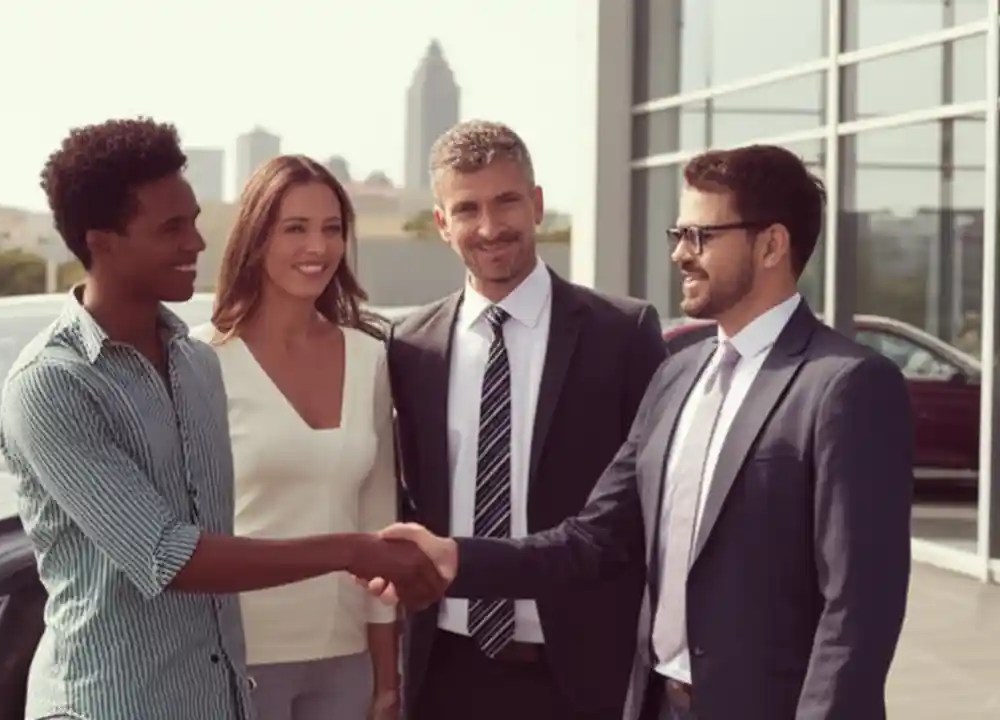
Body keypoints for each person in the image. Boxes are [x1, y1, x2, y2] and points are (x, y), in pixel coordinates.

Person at [371, 144, 916, 720]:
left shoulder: (847, 385)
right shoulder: (679, 375)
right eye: (678, 233)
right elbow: (596, 538)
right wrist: (456, 557)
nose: (681, 253)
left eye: (702, 236)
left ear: (772, 245)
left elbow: (859, 609)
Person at [0, 118, 445, 720]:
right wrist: (352, 550)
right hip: (105, 701)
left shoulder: (193, 362)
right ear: (103, 242)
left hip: (219, 692)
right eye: (172, 228)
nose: (197, 244)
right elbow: (167, 555)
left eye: (194, 223)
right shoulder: (53, 384)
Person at [384, 120, 668, 720]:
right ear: (442, 223)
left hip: (579, 674)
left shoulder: (623, 334)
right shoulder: (408, 347)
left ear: (536, 204)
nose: (490, 227)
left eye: (507, 201)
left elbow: (639, 512)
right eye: (467, 209)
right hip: (444, 672)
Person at [191, 155, 401, 720]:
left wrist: (386, 672)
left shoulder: (369, 357)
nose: (319, 247)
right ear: (256, 238)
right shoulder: (198, 359)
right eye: (296, 228)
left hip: (344, 657)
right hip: (232, 658)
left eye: (332, 229)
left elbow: (376, 518)